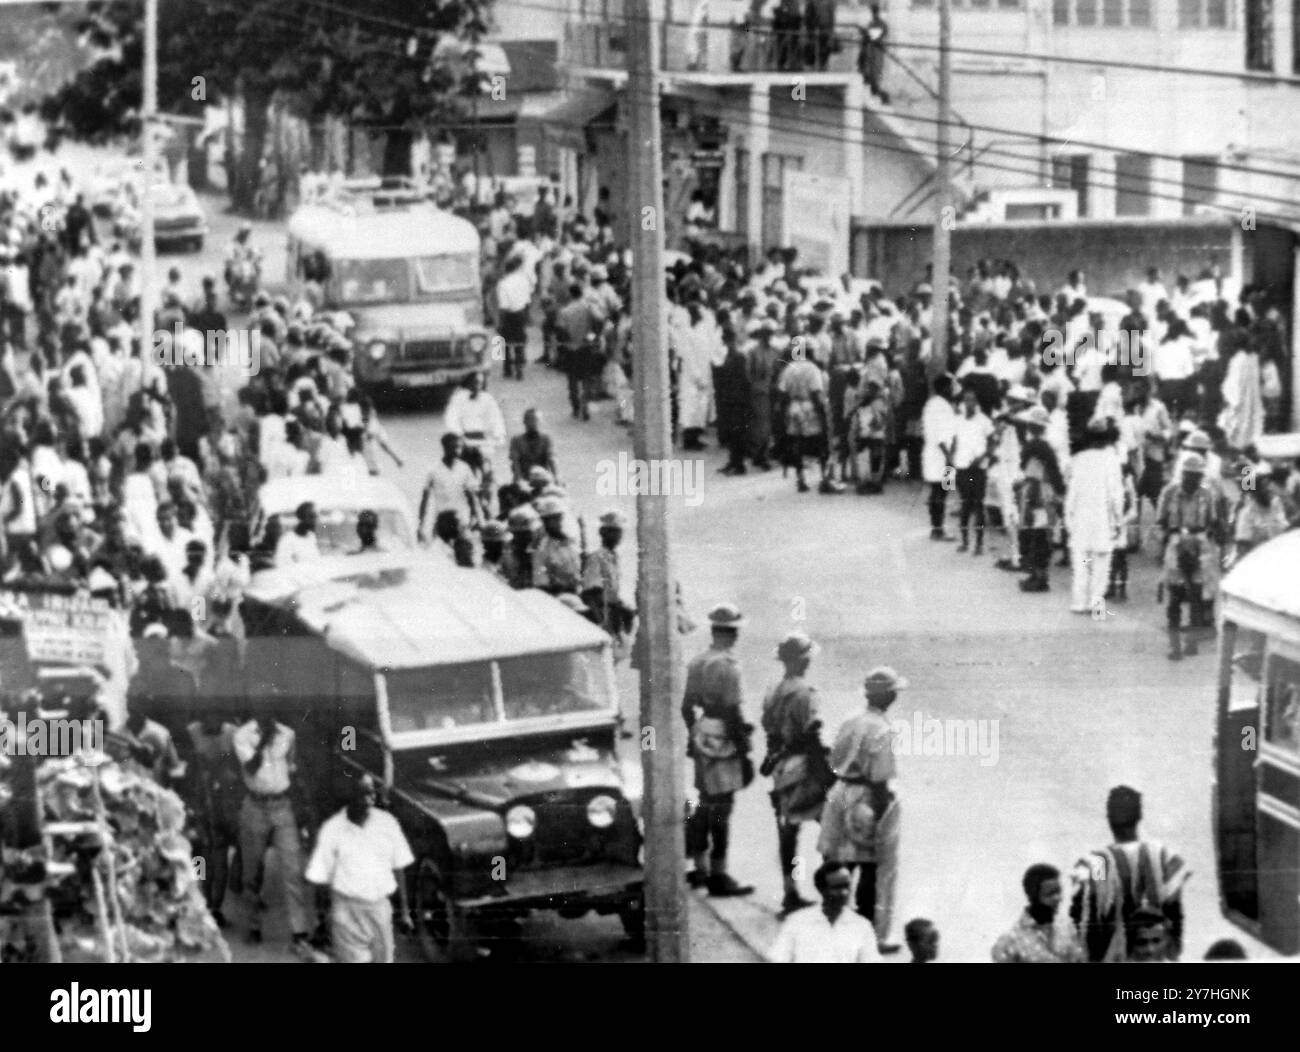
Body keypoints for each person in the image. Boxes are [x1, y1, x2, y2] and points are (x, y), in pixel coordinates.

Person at [818, 666, 906, 955]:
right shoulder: (882, 729)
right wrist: (881, 818)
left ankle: (832, 925)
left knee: (839, 859)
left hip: (841, 792)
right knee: (870, 864)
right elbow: (880, 780)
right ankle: (867, 933)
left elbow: (832, 759)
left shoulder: (851, 720)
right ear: (889, 696)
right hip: (865, 795)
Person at [682, 603, 755, 897]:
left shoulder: (698, 662)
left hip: (702, 731)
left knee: (705, 802)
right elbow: (733, 711)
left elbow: (686, 706)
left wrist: (692, 734)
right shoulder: (728, 666)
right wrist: (745, 751)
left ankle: (699, 867)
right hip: (723, 736)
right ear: (732, 633)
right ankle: (719, 873)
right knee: (723, 808)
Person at [305, 771, 415, 964]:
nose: (371, 798)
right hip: (347, 911)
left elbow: (400, 866)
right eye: (363, 793)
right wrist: (324, 919)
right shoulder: (332, 829)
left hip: (380, 909)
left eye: (372, 792)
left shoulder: (387, 823)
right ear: (348, 797)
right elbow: (320, 876)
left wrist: (405, 911)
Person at [1071, 785, 1189, 962]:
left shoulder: (1097, 862)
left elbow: (1086, 918)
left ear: (1108, 818)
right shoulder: (1163, 856)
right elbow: (1175, 914)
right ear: (1139, 815)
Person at [233, 711, 314, 958]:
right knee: (252, 871)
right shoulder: (242, 735)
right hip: (255, 806)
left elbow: (292, 769)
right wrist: (265, 740)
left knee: (293, 869)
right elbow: (251, 766)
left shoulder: (289, 734)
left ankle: (299, 934)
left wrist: (302, 807)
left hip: (282, 806)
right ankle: (254, 924)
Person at [761, 631, 832, 915]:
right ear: (803, 662)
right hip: (804, 765)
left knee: (788, 831)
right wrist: (829, 774)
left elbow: (769, 730)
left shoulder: (772, 692)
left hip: (780, 765)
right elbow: (813, 735)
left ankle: (790, 892)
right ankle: (831, 892)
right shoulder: (807, 693)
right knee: (830, 826)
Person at [1155, 453, 1225, 660]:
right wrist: (1164, 543)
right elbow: (1160, 523)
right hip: (1176, 545)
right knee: (1175, 597)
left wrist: (1216, 543)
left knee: (1196, 596)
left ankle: (1191, 642)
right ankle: (1174, 645)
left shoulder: (1207, 494)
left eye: (1196, 476)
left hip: (1201, 545)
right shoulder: (1169, 493)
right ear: (1182, 473)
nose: (1191, 480)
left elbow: (1213, 523)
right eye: (1188, 475)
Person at [182, 712, 242, 928]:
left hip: (222, 802)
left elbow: (235, 769)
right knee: (200, 855)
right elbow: (189, 769)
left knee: (220, 856)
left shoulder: (231, 733)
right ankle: (202, 901)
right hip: (201, 802)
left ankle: (215, 905)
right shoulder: (193, 731)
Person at [1064, 422, 1123, 615]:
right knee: (1101, 564)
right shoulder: (1111, 459)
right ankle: (1096, 606)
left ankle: (1079, 603)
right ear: (1106, 439)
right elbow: (1116, 494)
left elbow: (1071, 491)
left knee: (1081, 563)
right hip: (1102, 518)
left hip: (1081, 516)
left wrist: (1068, 516)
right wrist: (1118, 519)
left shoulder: (1078, 459)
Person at [768, 862, 880, 963]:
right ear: (822, 889)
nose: (844, 893)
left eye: (847, 886)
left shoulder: (862, 926)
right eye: (837, 888)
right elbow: (779, 958)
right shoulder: (797, 922)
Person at [991, 863, 1085, 963]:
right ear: (1033, 897)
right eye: (1050, 894)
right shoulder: (1010, 942)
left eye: (1059, 892)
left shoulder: (1067, 928)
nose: (1058, 898)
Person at [580, 509, 635, 652]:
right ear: (602, 533)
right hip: (603, 609)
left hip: (612, 606)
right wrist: (604, 619)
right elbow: (591, 591)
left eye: (618, 532)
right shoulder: (597, 557)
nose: (616, 536)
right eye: (612, 532)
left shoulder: (613, 558)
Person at [951, 386, 993, 554]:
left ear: (976, 402)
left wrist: (982, 457)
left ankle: (979, 544)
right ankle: (965, 541)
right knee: (965, 505)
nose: (969, 403)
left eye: (972, 400)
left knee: (978, 505)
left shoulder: (984, 421)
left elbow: (992, 443)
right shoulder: (958, 420)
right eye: (966, 400)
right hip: (962, 468)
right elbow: (953, 444)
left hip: (978, 468)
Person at [418, 433, 481, 542]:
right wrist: (421, 525)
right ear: (445, 447)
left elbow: (472, 496)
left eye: (460, 447)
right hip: (443, 520)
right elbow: (425, 499)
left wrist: (476, 518)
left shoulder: (464, 468)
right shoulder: (434, 470)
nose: (458, 450)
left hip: (462, 520)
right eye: (454, 447)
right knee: (439, 552)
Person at [921, 375, 957, 540]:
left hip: (932, 454)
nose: (953, 389)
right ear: (945, 388)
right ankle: (938, 529)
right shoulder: (943, 407)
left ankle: (937, 527)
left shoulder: (931, 404)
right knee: (941, 492)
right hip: (942, 455)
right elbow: (942, 436)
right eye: (951, 386)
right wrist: (950, 457)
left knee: (939, 491)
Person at [531, 494, 582, 595]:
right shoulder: (542, 549)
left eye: (555, 518)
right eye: (547, 520)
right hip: (558, 598)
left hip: (576, 593)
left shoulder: (571, 544)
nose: (551, 523)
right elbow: (541, 583)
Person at [495, 254, 532, 380]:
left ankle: (507, 369)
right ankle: (519, 368)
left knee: (504, 342)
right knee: (519, 341)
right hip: (521, 313)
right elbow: (527, 301)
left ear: (506, 269)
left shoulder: (503, 284)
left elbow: (502, 306)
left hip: (509, 315)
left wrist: (499, 322)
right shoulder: (523, 280)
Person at [508, 408, 558, 485]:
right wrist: (518, 480)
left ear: (541, 421)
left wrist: (556, 476)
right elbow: (515, 462)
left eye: (536, 420)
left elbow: (551, 458)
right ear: (524, 422)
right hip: (523, 479)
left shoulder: (546, 439)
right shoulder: (516, 440)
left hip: (543, 479)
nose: (533, 423)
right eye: (530, 420)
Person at [858, 4, 890, 104]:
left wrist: (866, 33)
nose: (873, 13)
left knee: (875, 74)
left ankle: (880, 95)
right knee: (869, 73)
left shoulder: (880, 23)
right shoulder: (872, 23)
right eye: (873, 11)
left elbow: (876, 35)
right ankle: (874, 94)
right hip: (870, 51)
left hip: (877, 51)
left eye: (874, 11)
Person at [274, 501, 320, 565]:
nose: (315, 520)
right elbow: (282, 568)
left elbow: (315, 562)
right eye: (311, 516)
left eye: (316, 516)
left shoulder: (311, 537)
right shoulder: (287, 540)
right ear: (301, 518)